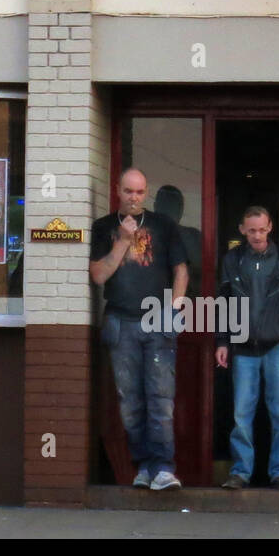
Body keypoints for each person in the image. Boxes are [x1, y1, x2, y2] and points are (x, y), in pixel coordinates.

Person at [89, 167, 189, 491]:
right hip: (120, 321)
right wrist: (123, 241)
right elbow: (99, 276)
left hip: (157, 319)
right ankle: (143, 467)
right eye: (129, 191)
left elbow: (181, 271)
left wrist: (174, 309)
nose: (134, 198)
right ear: (117, 190)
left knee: (160, 398)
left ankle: (162, 468)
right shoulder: (104, 227)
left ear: (146, 193)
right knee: (130, 402)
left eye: (140, 192)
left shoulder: (163, 225)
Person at [214, 206, 279, 490]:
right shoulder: (232, 260)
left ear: (270, 228)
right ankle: (241, 471)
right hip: (243, 345)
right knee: (241, 414)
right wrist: (222, 341)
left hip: (277, 346)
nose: (257, 235)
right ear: (242, 230)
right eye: (252, 230)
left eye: (262, 229)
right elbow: (223, 303)